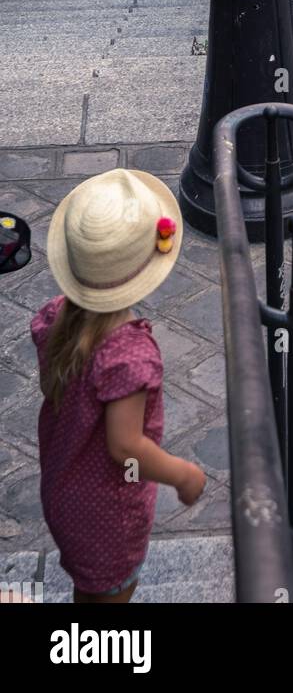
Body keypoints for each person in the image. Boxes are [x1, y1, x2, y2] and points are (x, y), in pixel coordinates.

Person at [30, 169, 207, 604]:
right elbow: (126, 450)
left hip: (64, 489)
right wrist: (183, 475)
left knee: (89, 590)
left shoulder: (57, 318)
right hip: (106, 513)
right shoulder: (128, 355)